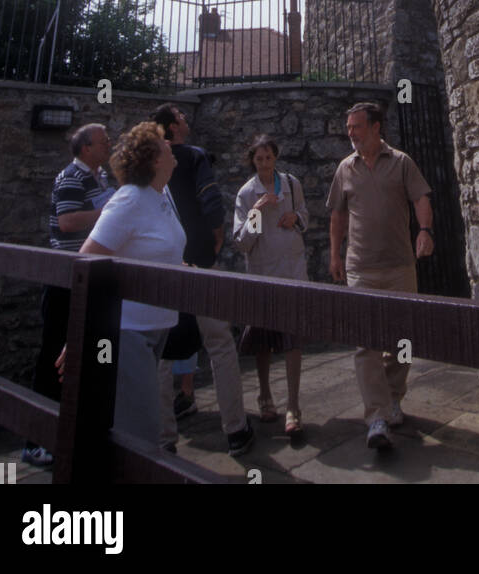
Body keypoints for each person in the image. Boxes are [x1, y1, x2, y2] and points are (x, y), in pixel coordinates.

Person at [63, 122, 187, 447]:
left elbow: (158, 250)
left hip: (158, 328)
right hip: (127, 332)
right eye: (164, 143)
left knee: (140, 427)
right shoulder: (128, 200)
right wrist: (78, 334)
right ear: (153, 159)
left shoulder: (160, 197)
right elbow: (85, 261)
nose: (170, 145)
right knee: (140, 433)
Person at [326, 102, 433, 450]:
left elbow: (421, 198)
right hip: (361, 267)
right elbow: (338, 215)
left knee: (403, 341)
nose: (351, 133)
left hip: (400, 265)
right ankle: (376, 416)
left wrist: (425, 230)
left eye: (357, 127)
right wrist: (335, 254)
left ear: (376, 128)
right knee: (366, 344)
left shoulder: (401, 162)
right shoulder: (345, 168)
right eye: (349, 128)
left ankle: (393, 398)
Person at [151, 105, 254, 457]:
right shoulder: (194, 157)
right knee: (220, 344)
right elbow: (211, 200)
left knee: (162, 352)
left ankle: (164, 439)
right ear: (171, 127)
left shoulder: (151, 164)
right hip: (199, 263)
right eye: (181, 116)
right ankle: (236, 430)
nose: (186, 119)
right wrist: (217, 234)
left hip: (166, 268)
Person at [21, 122, 112, 468]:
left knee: (87, 357)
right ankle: (36, 441)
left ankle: (75, 432)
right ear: (86, 147)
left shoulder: (99, 178)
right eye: (103, 142)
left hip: (88, 279)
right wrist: (108, 213)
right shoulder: (72, 176)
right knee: (52, 358)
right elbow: (67, 222)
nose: (109, 145)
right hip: (64, 281)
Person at [233, 134, 309, 435]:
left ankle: (293, 405)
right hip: (263, 273)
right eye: (259, 159)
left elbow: (305, 216)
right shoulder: (246, 193)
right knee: (263, 340)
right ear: (253, 160)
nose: (264, 164)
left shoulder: (290, 184)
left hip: (292, 270)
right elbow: (241, 242)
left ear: (275, 158)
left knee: (293, 339)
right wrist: (258, 212)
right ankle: (265, 395)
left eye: (268, 157)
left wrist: (295, 217)